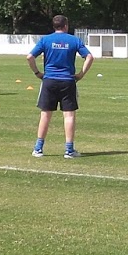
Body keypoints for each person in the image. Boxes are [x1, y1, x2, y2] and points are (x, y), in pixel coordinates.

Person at [26, 14, 94, 158]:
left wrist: (37, 72)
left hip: (49, 80)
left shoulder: (45, 40)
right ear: (66, 26)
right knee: (68, 115)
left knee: (45, 114)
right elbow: (89, 57)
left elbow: (30, 57)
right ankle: (69, 150)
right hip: (67, 81)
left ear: (54, 26)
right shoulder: (74, 40)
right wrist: (81, 74)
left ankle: (38, 148)